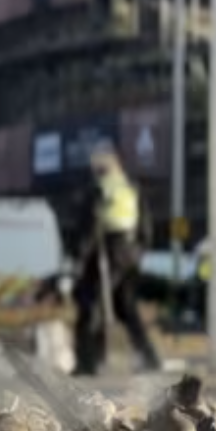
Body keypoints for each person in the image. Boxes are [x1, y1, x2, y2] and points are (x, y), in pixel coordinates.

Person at [72, 143, 161, 376]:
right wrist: (138, 252)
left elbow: (88, 228)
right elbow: (146, 227)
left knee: (90, 307)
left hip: (104, 254)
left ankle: (89, 362)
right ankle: (148, 356)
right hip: (129, 254)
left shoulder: (99, 190)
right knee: (126, 308)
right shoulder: (131, 188)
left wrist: (79, 259)